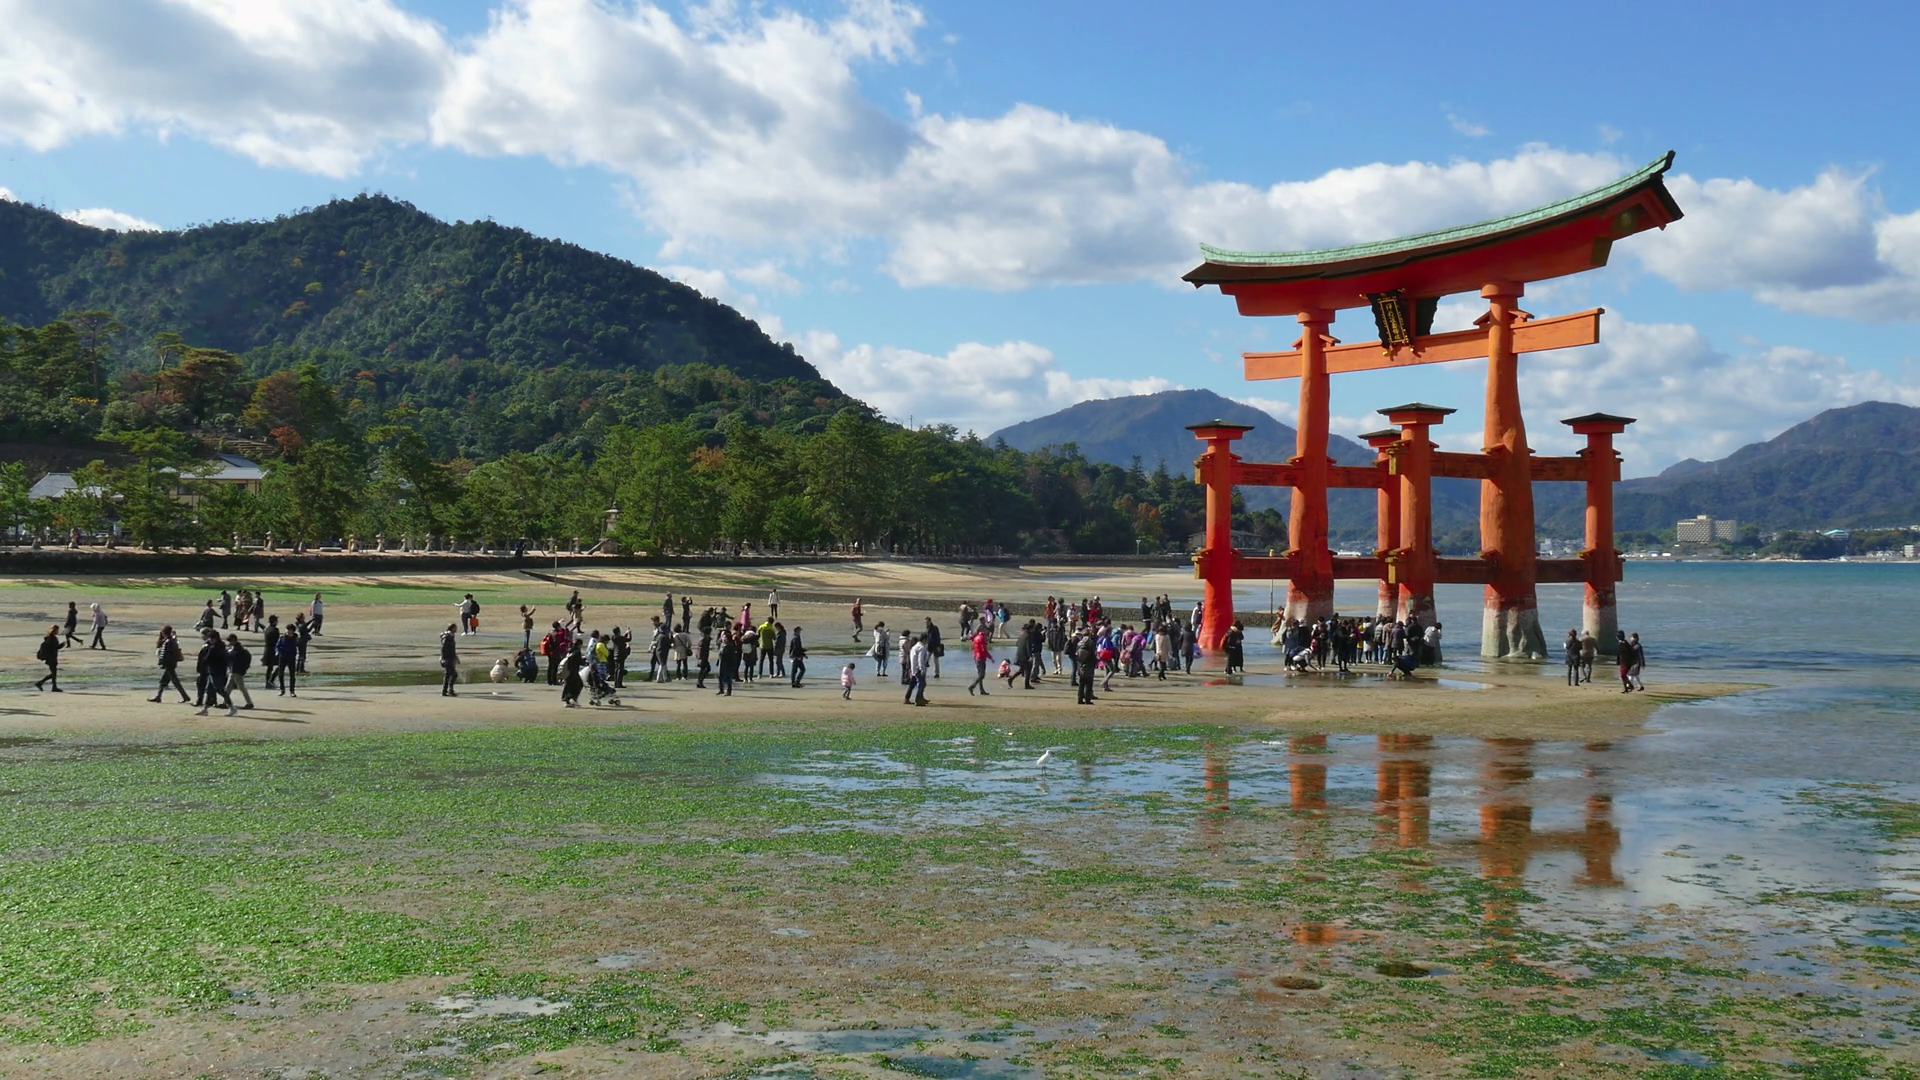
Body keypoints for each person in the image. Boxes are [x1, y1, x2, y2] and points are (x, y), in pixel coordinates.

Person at [195, 630, 236, 716]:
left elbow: (207, 659)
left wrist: (205, 652)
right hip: (219, 670)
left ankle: (231, 707)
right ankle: (205, 709)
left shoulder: (213, 648)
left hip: (214, 671)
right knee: (209, 689)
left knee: (220, 690)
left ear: (213, 639)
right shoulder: (221, 646)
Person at [151, 626, 189, 703]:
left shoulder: (169, 642)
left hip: (169, 664)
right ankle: (158, 697)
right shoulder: (170, 641)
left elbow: (170, 654)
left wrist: (164, 662)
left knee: (174, 681)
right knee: (164, 681)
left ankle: (185, 697)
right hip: (170, 664)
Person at [225, 633, 255, 710]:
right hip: (234, 670)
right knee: (228, 688)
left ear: (234, 640)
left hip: (237, 671)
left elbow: (233, 658)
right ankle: (226, 702)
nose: (229, 643)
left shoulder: (238, 650)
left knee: (240, 688)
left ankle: (249, 703)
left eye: (230, 641)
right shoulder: (237, 649)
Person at [34, 625, 64, 692]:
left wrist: (60, 646)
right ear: (55, 630)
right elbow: (52, 648)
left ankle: (41, 683)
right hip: (51, 658)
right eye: (57, 630)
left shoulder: (51, 637)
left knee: (53, 673)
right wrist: (60, 646)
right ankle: (53, 687)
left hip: (51, 657)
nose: (58, 631)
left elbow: (53, 647)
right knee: (54, 673)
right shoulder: (51, 638)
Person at [905, 634, 930, 706]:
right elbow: (920, 660)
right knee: (922, 684)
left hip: (914, 668)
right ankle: (918, 699)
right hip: (918, 668)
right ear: (924, 639)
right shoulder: (922, 648)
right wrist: (922, 669)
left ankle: (911, 698)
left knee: (913, 684)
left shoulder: (914, 647)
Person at [274, 628, 299, 697]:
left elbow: (299, 646)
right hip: (282, 657)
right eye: (287, 631)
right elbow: (277, 646)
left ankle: (292, 691)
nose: (288, 633)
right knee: (280, 674)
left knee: (292, 675)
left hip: (291, 658)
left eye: (289, 632)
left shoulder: (296, 639)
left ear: (293, 632)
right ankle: (282, 689)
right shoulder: (282, 638)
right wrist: (277, 652)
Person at [968, 627, 992, 696]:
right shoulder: (982, 639)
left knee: (980, 675)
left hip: (976, 657)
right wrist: (990, 657)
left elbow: (974, 648)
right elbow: (983, 650)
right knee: (982, 675)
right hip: (981, 658)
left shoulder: (976, 638)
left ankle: (981, 690)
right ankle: (972, 686)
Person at [262, 615, 282, 691]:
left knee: (269, 668)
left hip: (267, 649)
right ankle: (271, 680)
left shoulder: (267, 629)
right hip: (273, 650)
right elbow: (277, 641)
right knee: (280, 665)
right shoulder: (275, 630)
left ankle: (268, 681)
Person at [440, 623, 460, 697]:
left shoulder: (450, 636)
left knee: (447, 675)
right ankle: (450, 690)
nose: (456, 629)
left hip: (448, 658)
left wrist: (455, 657)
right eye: (455, 628)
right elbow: (444, 648)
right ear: (452, 628)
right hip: (447, 659)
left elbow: (452, 649)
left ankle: (444, 691)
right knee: (454, 675)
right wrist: (446, 658)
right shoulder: (447, 637)